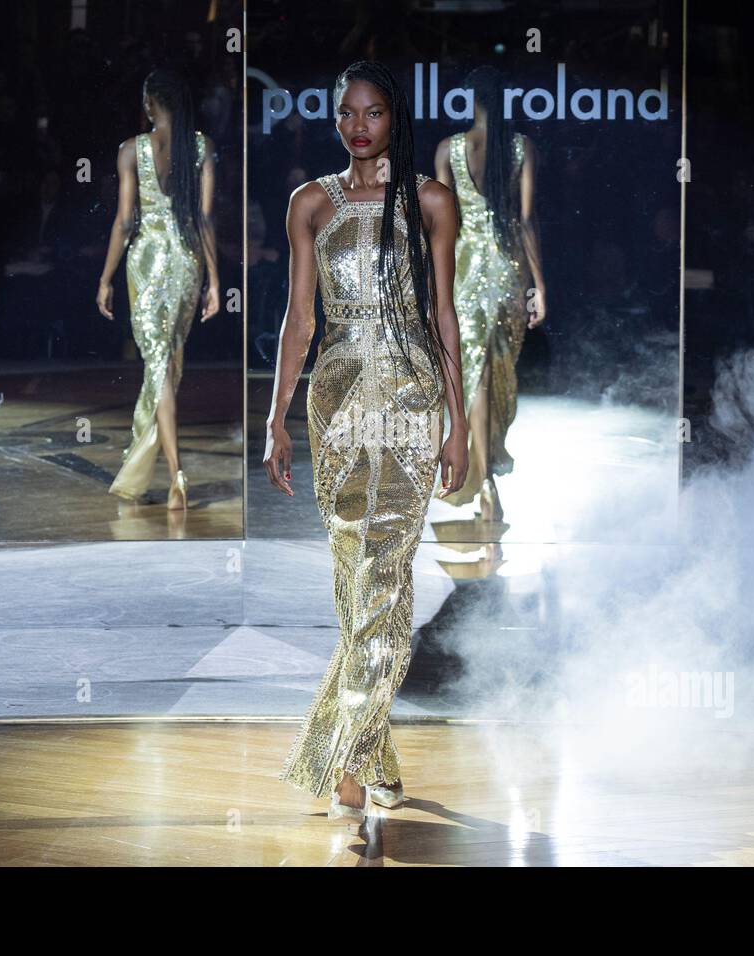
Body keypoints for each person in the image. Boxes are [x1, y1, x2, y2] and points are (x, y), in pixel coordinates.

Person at [265, 61, 468, 820]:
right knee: (360, 583)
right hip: (339, 401)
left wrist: (459, 422)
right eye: (346, 112)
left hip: (412, 397)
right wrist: (276, 416)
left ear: (394, 119)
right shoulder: (311, 204)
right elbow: (300, 320)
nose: (358, 126)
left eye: (373, 112)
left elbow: (444, 316)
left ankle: (343, 758)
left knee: (385, 572)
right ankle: (373, 752)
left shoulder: (431, 202)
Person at [97, 67, 220, 510]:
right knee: (167, 364)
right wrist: (214, 281)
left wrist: (105, 278)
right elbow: (204, 219)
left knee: (159, 364)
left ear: (150, 103)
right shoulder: (201, 147)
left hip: (147, 260)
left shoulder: (131, 150)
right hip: (186, 260)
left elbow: (124, 222)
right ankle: (166, 469)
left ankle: (175, 472)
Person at [430, 66, 545, 521]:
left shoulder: (450, 149)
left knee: (473, 374)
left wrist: (434, 285)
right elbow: (526, 220)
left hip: (466, 271)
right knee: (497, 370)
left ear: (472, 101)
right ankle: (489, 465)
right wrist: (539, 286)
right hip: (508, 271)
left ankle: (484, 482)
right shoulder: (521, 148)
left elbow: (440, 227)